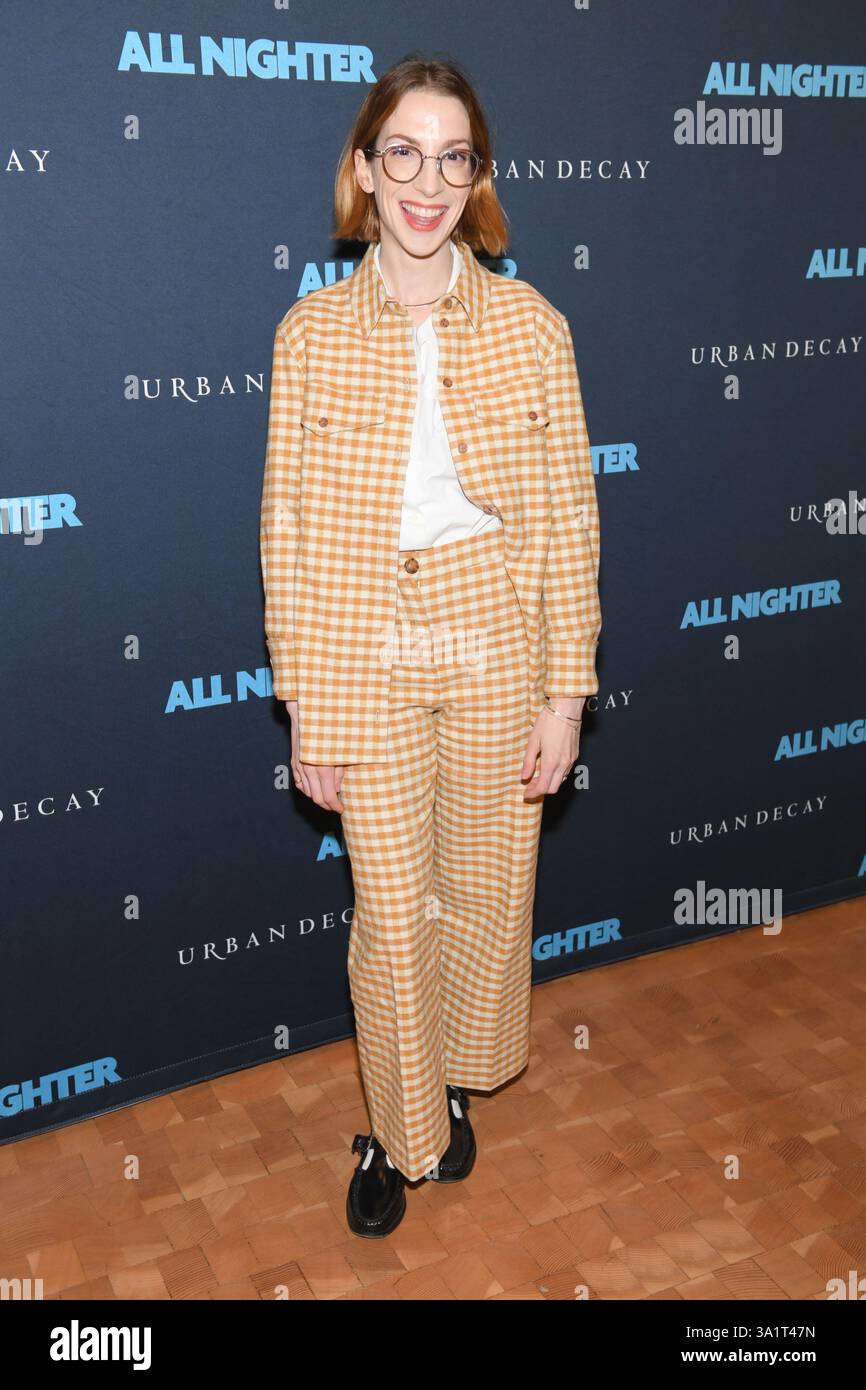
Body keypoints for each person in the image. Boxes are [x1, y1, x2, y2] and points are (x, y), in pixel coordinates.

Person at [259, 54, 602, 1239]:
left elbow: (567, 517)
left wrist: (566, 694)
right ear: (363, 168)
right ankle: (400, 1132)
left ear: (477, 177)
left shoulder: (532, 326)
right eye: (400, 151)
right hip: (363, 648)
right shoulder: (307, 333)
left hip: (495, 644)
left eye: (451, 156)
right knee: (390, 912)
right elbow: (287, 531)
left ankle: (447, 1081)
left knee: (486, 897)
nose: (425, 179)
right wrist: (307, 699)